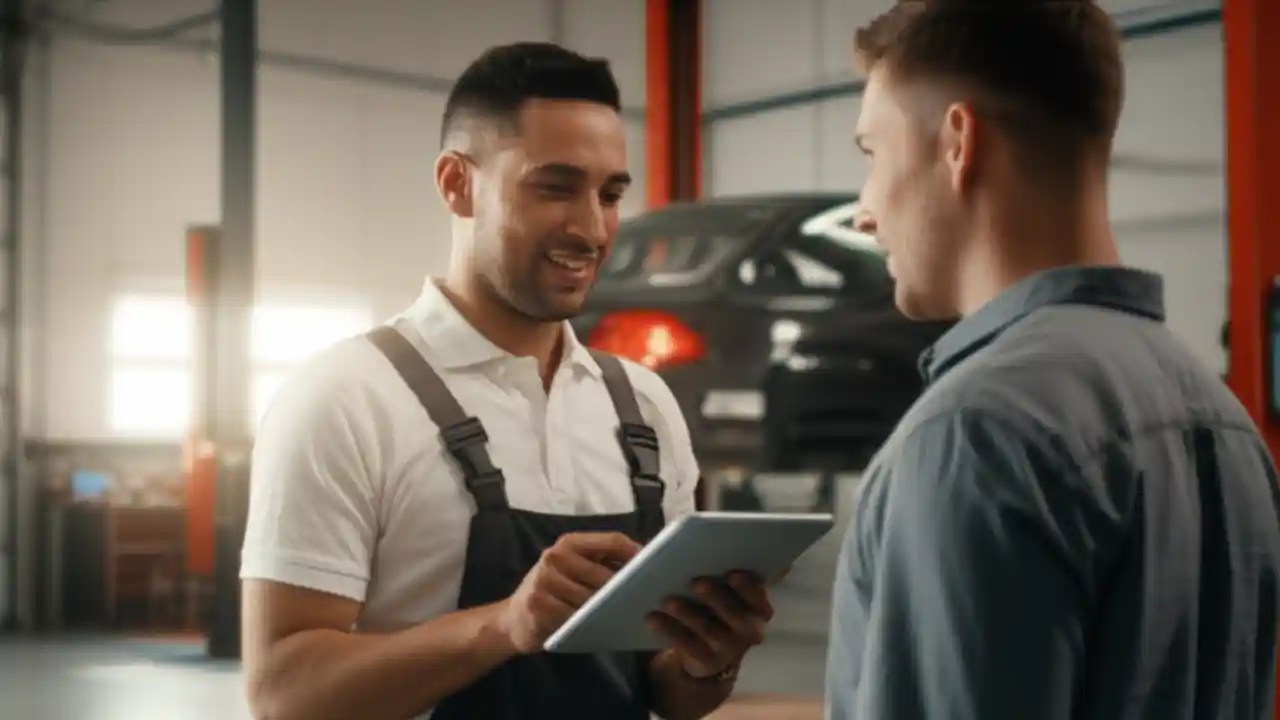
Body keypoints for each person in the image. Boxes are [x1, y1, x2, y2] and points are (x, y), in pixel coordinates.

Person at [239, 42, 774, 720]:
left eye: (610, 195)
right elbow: (282, 693)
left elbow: (664, 689)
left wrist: (708, 657)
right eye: (555, 188)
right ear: (456, 184)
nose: (592, 228)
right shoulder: (344, 399)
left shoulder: (643, 407)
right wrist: (504, 626)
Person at [826, 1, 1280, 719]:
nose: (864, 210)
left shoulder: (974, 434)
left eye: (872, 154)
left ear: (957, 141)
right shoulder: (1223, 422)